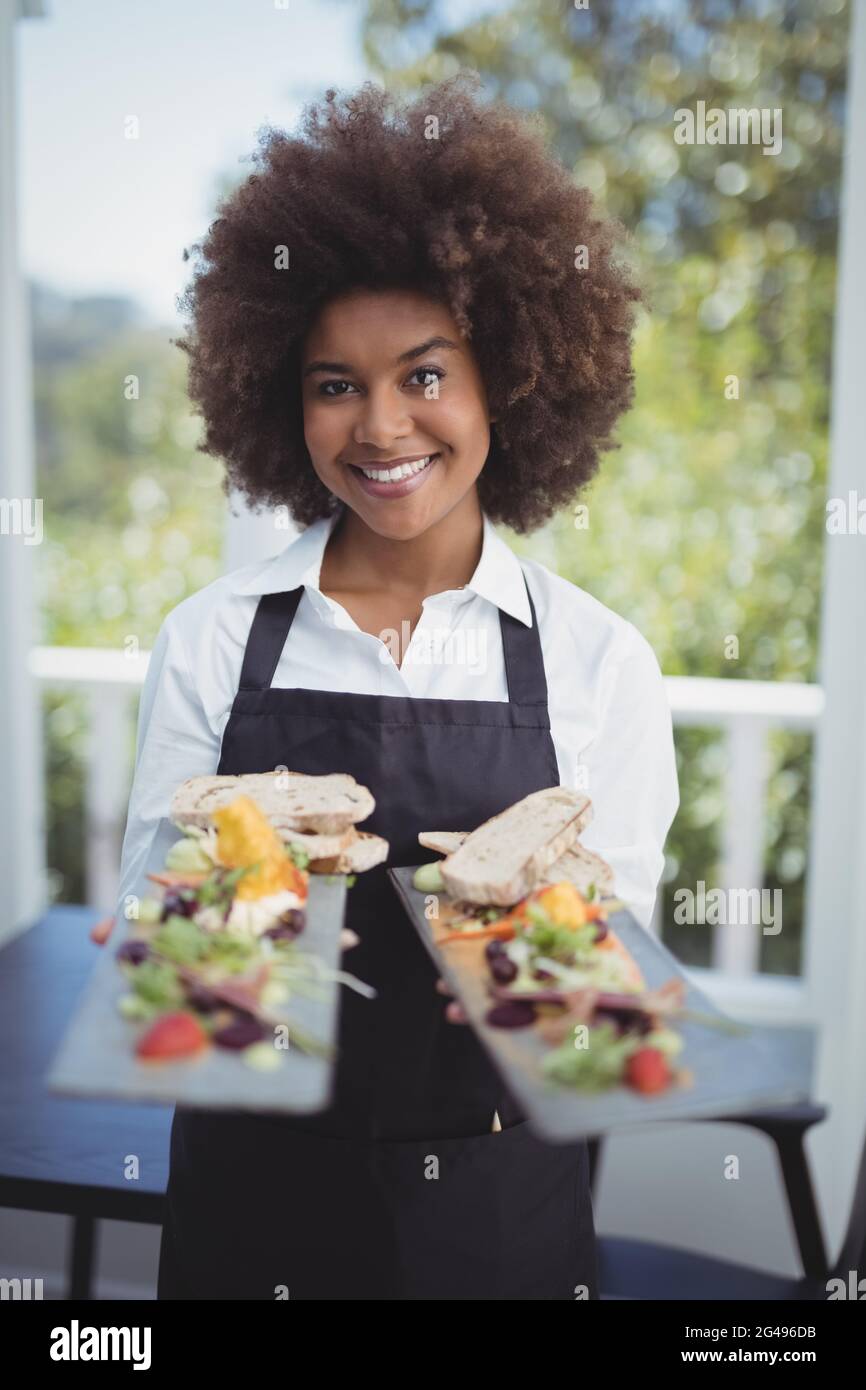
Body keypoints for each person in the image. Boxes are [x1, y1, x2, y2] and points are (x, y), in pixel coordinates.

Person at [114, 76, 679, 1300]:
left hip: (496, 1224)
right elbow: (176, 989)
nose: (380, 427)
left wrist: (529, 954)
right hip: (249, 1211)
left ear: (510, 380)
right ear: (280, 396)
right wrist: (212, 915)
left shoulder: (596, 663)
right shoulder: (210, 639)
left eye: (425, 375)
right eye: (334, 384)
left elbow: (598, 1032)